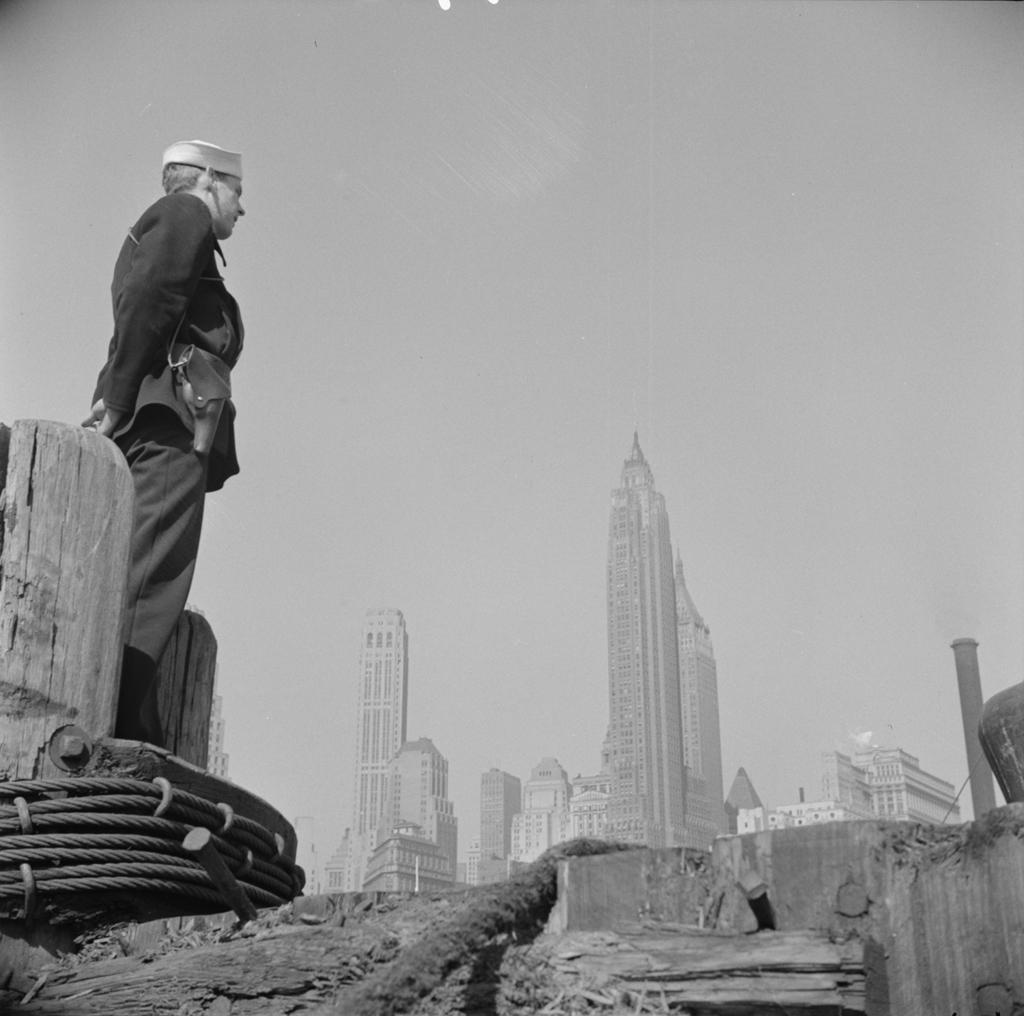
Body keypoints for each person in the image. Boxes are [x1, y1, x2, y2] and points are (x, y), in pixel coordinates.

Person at [83, 140, 246, 745]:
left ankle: (128, 719)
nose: (240, 208)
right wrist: (122, 399)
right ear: (206, 179)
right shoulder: (187, 214)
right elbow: (150, 298)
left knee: (139, 578)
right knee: (150, 583)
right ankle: (118, 727)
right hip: (165, 424)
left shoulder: (175, 224)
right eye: (237, 191)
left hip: (154, 417)